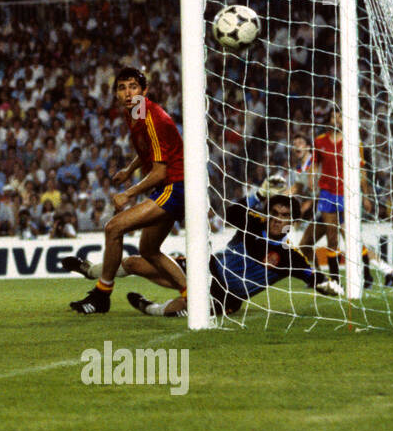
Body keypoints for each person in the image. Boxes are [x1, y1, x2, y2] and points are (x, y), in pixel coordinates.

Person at [69, 67, 187, 314]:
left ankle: (102, 295)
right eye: (122, 88)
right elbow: (148, 150)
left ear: (144, 91)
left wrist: (128, 193)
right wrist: (129, 168)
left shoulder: (152, 117)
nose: (128, 92)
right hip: (171, 186)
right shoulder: (135, 113)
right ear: (115, 94)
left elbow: (160, 171)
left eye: (133, 87)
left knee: (114, 227)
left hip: (175, 186)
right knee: (148, 250)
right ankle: (191, 294)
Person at [120, 195, 343, 319]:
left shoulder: (290, 257)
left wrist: (328, 285)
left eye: (284, 216)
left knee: (181, 310)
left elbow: (312, 276)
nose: (277, 219)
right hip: (207, 267)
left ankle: (148, 307)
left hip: (228, 296)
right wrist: (257, 195)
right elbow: (233, 211)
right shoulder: (255, 223)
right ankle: (95, 273)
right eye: (273, 213)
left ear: (293, 222)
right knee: (133, 263)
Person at [298, 108, 393, 288]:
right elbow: (314, 163)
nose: (336, 120)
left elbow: (362, 170)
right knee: (309, 241)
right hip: (326, 195)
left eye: (339, 117)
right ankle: (321, 278)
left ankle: (352, 278)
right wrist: (311, 178)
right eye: (333, 116)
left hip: (346, 195)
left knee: (344, 238)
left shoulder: (353, 142)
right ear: (328, 120)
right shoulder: (319, 142)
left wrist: (366, 197)